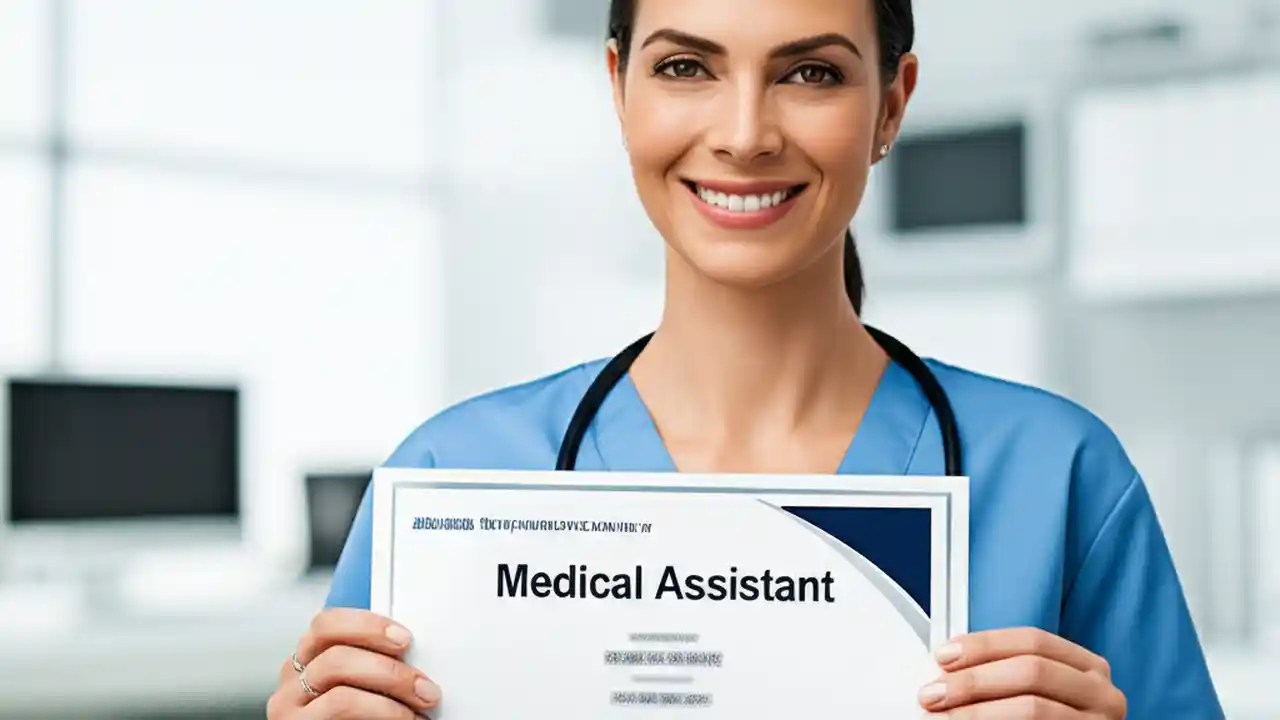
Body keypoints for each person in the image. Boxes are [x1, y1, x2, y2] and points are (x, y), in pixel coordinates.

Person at [267, 0, 1224, 717]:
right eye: (686, 67)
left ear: (892, 104)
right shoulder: (454, 474)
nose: (743, 134)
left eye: (811, 74)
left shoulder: (1058, 474)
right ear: (618, 88)